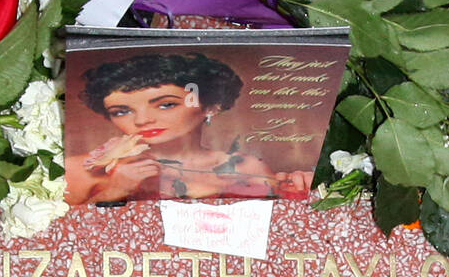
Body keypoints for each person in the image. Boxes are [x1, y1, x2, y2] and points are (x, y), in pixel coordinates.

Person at [66, 52, 311, 205]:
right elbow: (59, 246)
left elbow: (278, 237)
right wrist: (113, 191)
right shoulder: (81, 169)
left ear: (210, 105)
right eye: (122, 111)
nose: (141, 120)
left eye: (166, 104)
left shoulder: (248, 168)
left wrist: (299, 192)